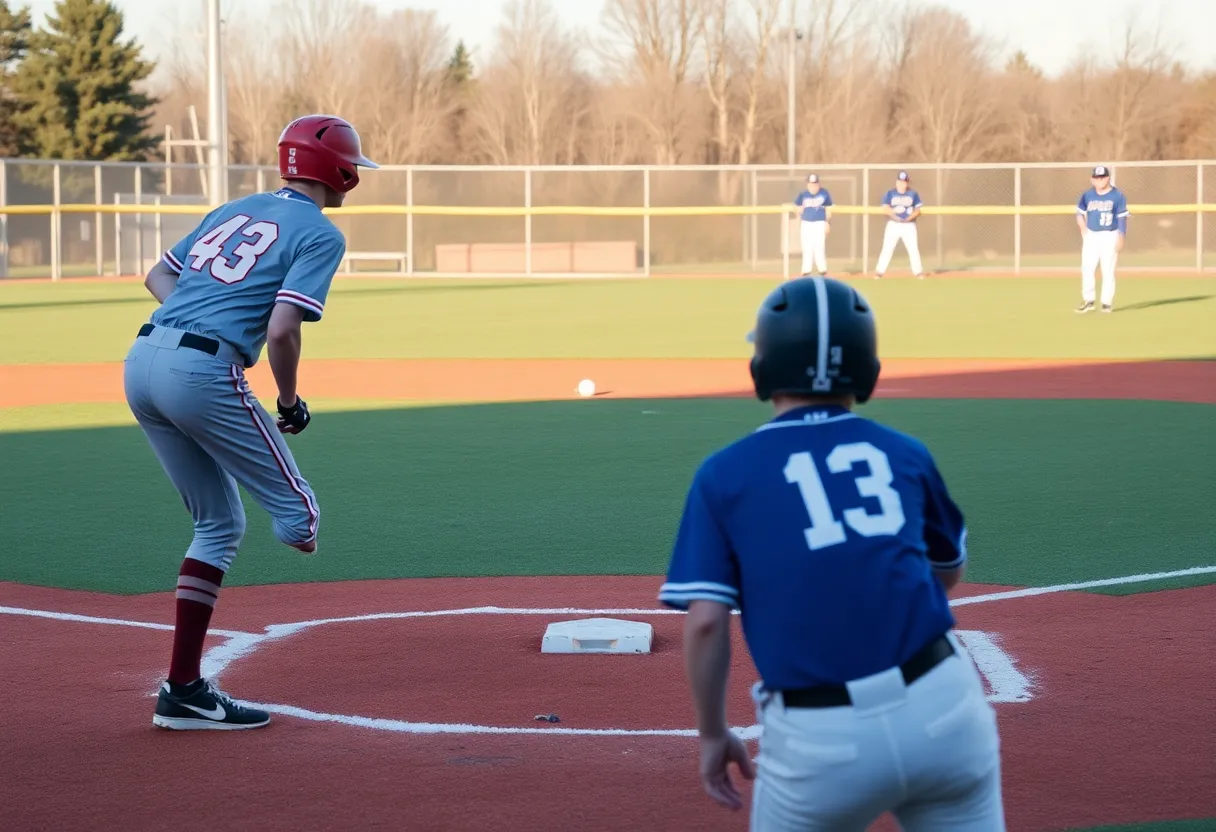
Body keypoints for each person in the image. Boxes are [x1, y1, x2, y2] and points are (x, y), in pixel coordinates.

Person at [659, 275, 1005, 830]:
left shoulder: (725, 473)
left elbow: (705, 623)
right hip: (945, 709)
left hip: (821, 742)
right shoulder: (904, 453)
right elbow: (946, 569)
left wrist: (711, 732)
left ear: (762, 369)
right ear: (868, 371)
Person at [124, 114, 378, 730]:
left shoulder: (232, 207)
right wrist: (288, 401)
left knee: (218, 524)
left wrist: (197, 310)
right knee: (300, 519)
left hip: (142, 360)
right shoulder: (320, 233)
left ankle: (182, 691)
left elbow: (157, 275)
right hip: (202, 374)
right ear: (337, 171)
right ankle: (186, 688)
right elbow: (283, 327)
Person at [1075, 165, 1129, 313]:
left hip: (1110, 235)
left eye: (1103, 177)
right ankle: (1089, 301)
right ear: (1092, 179)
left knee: (1108, 270)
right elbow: (1079, 212)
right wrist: (1083, 228)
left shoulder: (1117, 195)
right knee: (1087, 268)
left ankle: (1106, 303)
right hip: (1092, 235)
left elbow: (1122, 218)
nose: (1100, 180)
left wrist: (1121, 236)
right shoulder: (1087, 195)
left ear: (1108, 177)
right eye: (1097, 177)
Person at [874, 170, 924, 279]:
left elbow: (918, 210)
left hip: (909, 225)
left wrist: (908, 218)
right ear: (897, 182)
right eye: (900, 181)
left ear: (907, 183)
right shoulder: (890, 193)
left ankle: (918, 272)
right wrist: (895, 216)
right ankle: (879, 272)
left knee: (913, 248)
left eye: (904, 182)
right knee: (887, 248)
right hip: (893, 224)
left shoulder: (913, 194)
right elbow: (885, 208)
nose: (902, 184)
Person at [793, 174, 833, 276]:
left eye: (815, 184)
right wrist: (798, 214)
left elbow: (829, 208)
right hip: (806, 223)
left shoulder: (824, 193)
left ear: (818, 184)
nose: (813, 186)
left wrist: (827, 222)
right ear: (807, 184)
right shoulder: (803, 194)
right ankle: (806, 270)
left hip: (819, 222)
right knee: (807, 246)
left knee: (819, 246)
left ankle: (822, 270)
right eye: (811, 184)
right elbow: (796, 207)